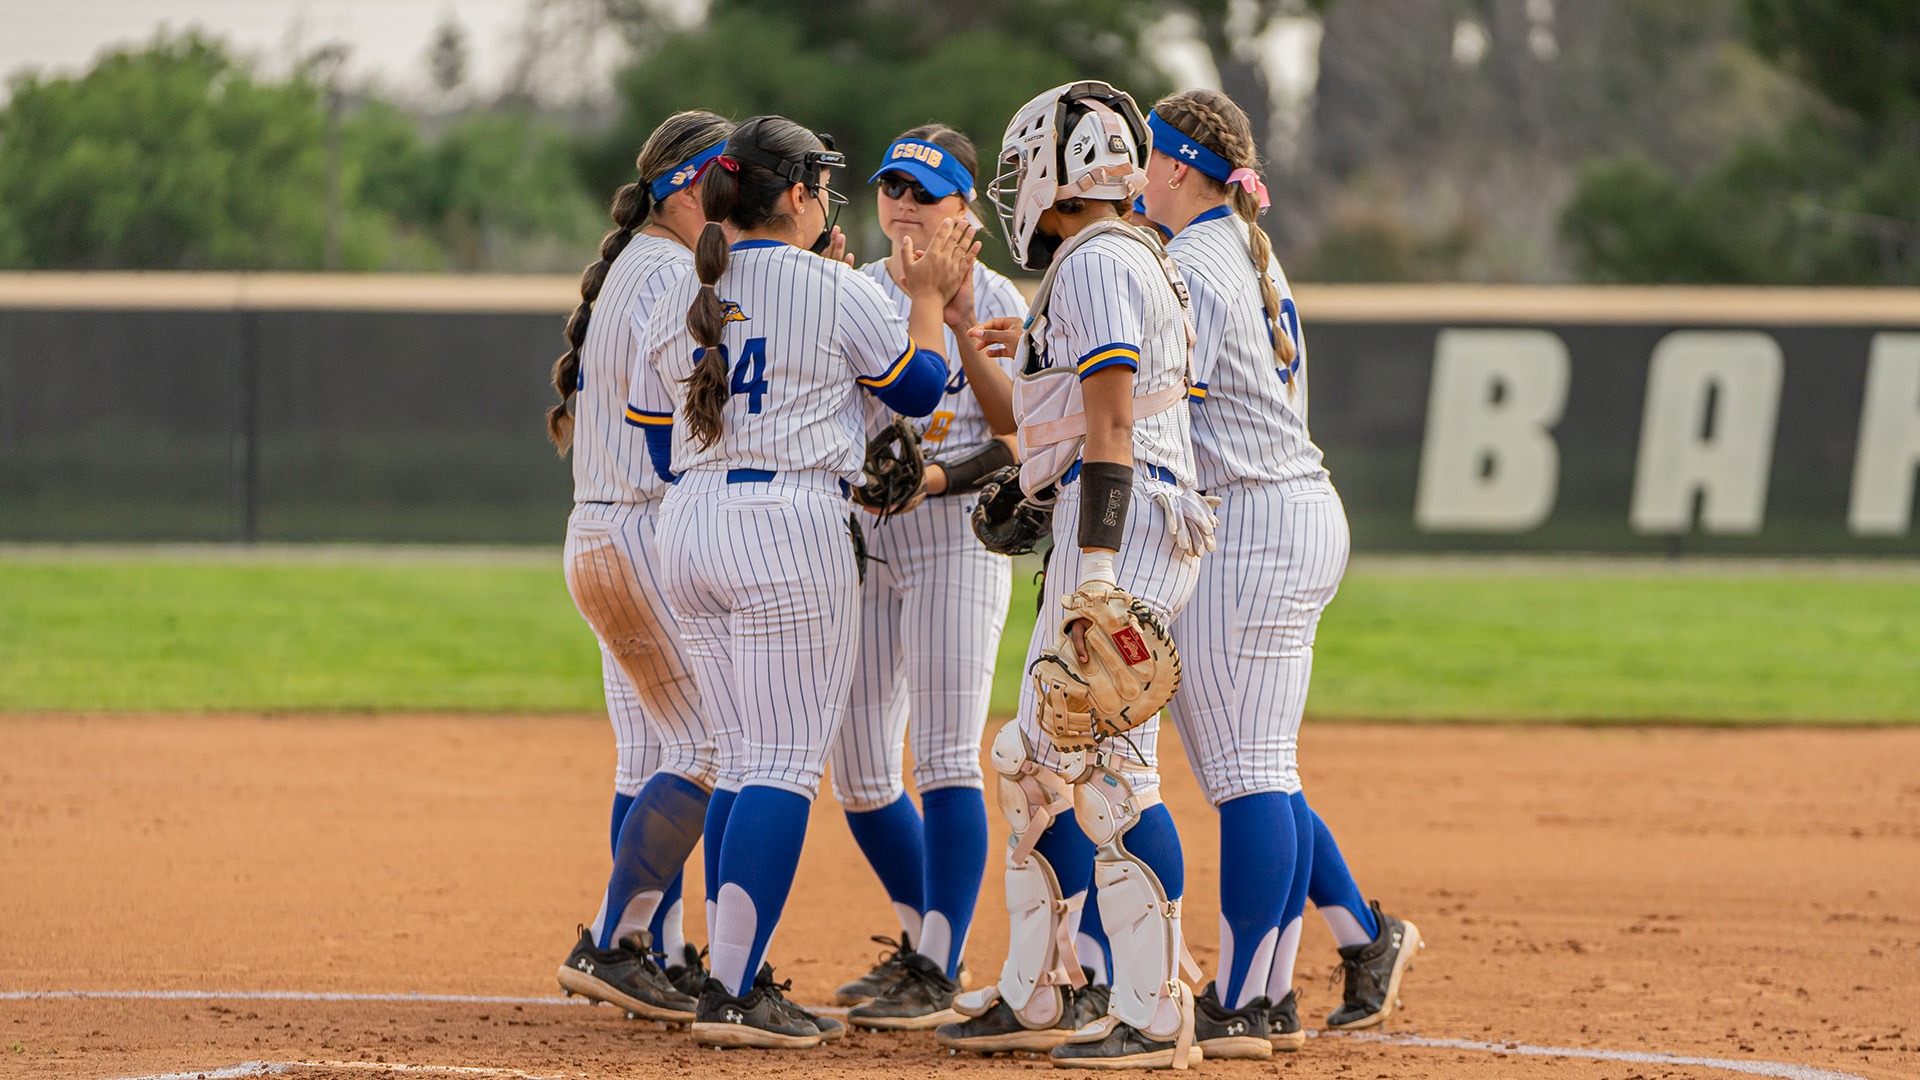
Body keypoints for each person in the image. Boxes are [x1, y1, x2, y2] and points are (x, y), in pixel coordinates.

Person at [631, 114, 973, 1049]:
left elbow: (657, 439)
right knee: (780, 765)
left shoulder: (683, 287)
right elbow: (920, 389)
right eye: (820, 182)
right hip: (791, 523)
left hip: (690, 522)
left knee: (740, 757)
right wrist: (932, 299)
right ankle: (738, 992)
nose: (828, 197)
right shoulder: (827, 284)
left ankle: (722, 968)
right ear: (793, 196)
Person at [935, 80, 1213, 1070]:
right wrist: (997, 344)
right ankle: (1038, 992)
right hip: (1125, 518)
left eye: (1025, 166)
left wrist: (1096, 570)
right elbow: (1063, 416)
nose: (1017, 187)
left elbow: (1113, 425)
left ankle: (1154, 1011)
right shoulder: (1115, 255)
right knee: (1031, 760)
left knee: (1111, 773)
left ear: (1061, 169)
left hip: (1121, 529)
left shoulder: (1095, 261)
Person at [1138, 89, 1422, 1056]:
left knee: (1246, 779)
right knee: (1258, 768)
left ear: (1178, 168)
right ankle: (1351, 944)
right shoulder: (1244, 247)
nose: (1137, 177)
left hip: (1252, 521)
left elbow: (1148, 403)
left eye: (1145, 160)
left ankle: (1248, 999)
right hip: (1289, 510)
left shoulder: (1188, 265)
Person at [826, 123, 1028, 1031]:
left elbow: (1024, 441)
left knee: (947, 753)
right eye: (893, 188)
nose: (904, 206)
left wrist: (938, 478)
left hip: (953, 541)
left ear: (964, 209)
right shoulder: (856, 292)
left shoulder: (1000, 305)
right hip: (864, 545)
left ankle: (940, 963)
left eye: (926, 192)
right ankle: (923, 946)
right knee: (862, 771)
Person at [542, 109, 734, 1022]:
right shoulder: (667, 272)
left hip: (602, 532)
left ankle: (643, 950)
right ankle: (613, 939)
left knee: (652, 749)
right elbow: (675, 428)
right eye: (728, 183)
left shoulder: (635, 264)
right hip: (640, 536)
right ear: (692, 186)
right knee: (708, 745)